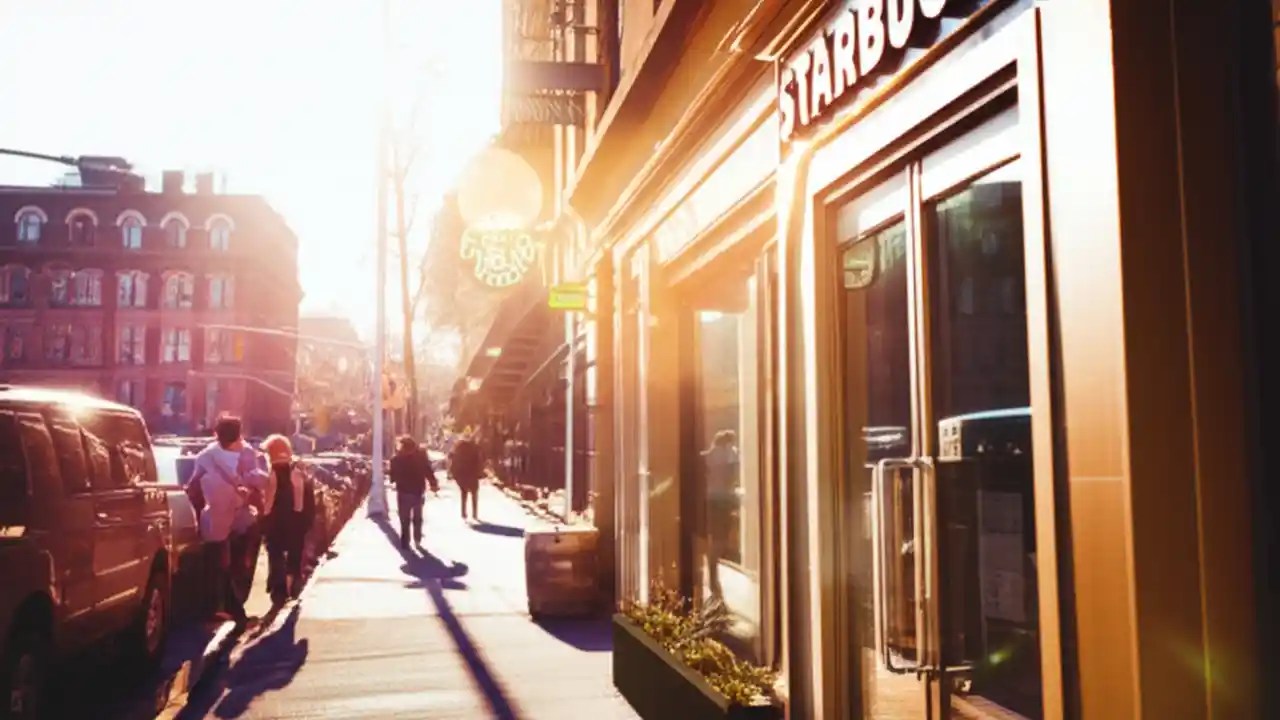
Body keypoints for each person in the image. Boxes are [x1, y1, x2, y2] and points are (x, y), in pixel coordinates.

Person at [187, 416, 268, 626]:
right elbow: (259, 483)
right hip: (238, 520)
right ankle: (231, 611)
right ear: (239, 433)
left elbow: (193, 487)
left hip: (218, 520)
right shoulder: (247, 453)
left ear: (216, 433)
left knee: (221, 566)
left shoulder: (206, 456)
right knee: (230, 567)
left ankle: (224, 610)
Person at [259, 435, 316, 605]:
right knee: (295, 552)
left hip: (278, 520)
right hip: (297, 520)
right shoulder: (297, 470)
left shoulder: (276, 472)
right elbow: (300, 497)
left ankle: (279, 589)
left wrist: (264, 516)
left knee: (275, 553)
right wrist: (299, 516)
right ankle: (294, 581)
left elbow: (270, 499)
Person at [390, 436, 435, 548]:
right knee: (417, 517)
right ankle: (417, 538)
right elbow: (428, 471)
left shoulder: (396, 459)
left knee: (404, 518)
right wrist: (433, 483)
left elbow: (392, 478)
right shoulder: (421, 457)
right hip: (418, 491)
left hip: (403, 492)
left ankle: (405, 541)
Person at [450, 430, 483, 521]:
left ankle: (464, 513)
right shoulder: (474, 447)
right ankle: (474, 513)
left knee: (463, 493)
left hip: (462, 473)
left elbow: (452, 457)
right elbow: (479, 460)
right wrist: (480, 472)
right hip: (473, 473)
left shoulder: (459, 446)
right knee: (474, 494)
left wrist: (453, 472)